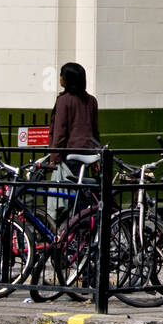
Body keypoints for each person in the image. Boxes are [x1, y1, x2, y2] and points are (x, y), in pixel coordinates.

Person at [47, 62, 101, 222]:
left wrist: (54, 158)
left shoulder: (64, 100)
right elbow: (95, 131)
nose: (60, 78)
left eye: (62, 75)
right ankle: (82, 227)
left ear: (68, 79)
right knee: (83, 195)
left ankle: (68, 230)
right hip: (88, 153)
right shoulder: (91, 101)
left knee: (65, 197)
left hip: (69, 155)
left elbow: (60, 131)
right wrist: (97, 154)